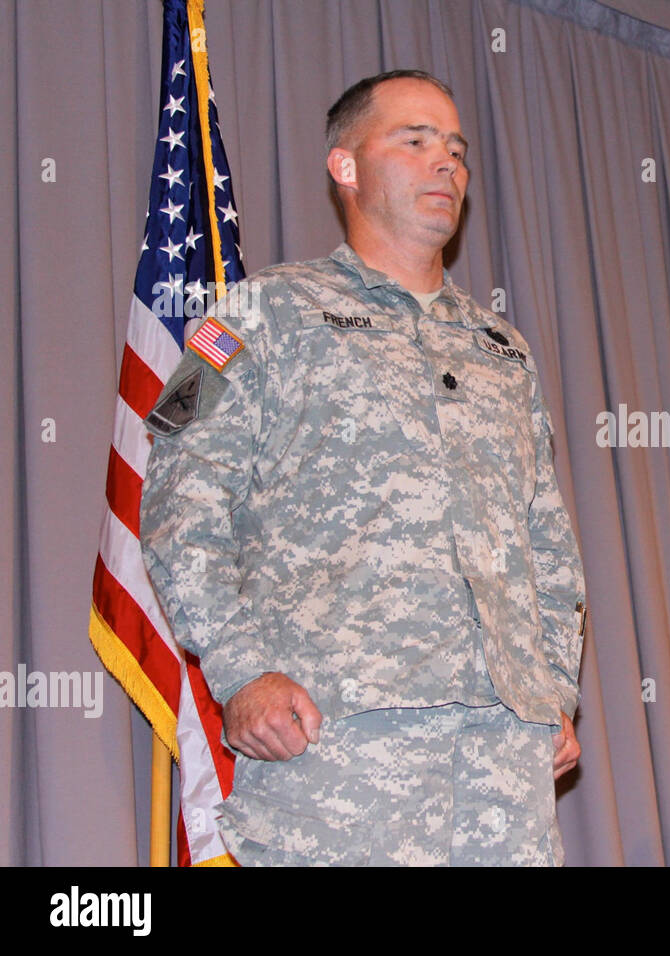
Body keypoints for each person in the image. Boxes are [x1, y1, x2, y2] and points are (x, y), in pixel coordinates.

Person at [140, 70, 586, 866]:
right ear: (345, 168)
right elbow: (184, 502)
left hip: (503, 750)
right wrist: (242, 672)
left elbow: (545, 544)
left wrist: (553, 693)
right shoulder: (263, 315)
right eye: (414, 141)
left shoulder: (502, 351)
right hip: (339, 735)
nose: (445, 162)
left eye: (455, 149)